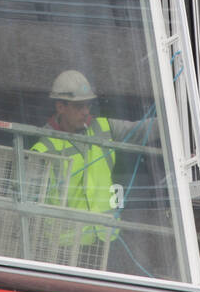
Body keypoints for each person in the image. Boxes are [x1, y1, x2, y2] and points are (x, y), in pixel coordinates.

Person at [32, 70, 142, 263]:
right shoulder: (44, 148)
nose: (86, 112)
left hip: (105, 236)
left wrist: (179, 119)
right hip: (64, 246)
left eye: (88, 105)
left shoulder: (102, 127)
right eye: (78, 106)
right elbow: (27, 200)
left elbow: (141, 130)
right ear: (60, 107)